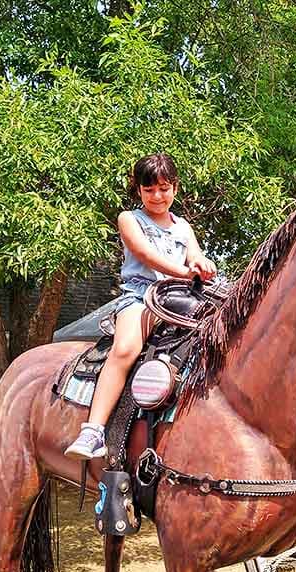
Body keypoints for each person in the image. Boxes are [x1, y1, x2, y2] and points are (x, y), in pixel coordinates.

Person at [65, 153, 216, 460]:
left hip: (180, 299)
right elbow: (144, 254)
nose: (157, 196)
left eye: (164, 188)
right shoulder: (129, 219)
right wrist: (185, 272)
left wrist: (202, 264)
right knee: (126, 349)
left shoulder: (184, 227)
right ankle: (93, 430)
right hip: (141, 296)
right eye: (149, 190)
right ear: (139, 190)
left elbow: (195, 256)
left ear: (175, 187)